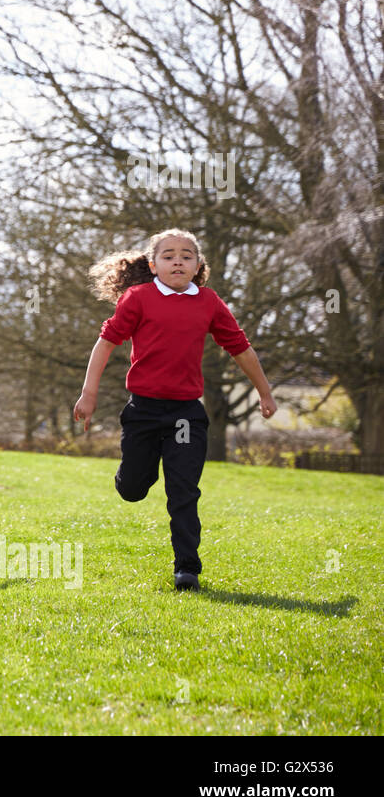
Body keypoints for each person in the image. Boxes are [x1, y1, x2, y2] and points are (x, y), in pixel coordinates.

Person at [72, 229, 277, 591]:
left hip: (185, 414)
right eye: (168, 256)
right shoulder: (138, 298)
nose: (178, 261)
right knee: (133, 489)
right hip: (144, 411)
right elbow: (106, 343)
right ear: (153, 265)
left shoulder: (209, 302)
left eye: (186, 255)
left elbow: (240, 348)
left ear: (198, 266)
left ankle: (187, 569)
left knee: (183, 489)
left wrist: (264, 392)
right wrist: (88, 395)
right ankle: (133, 476)